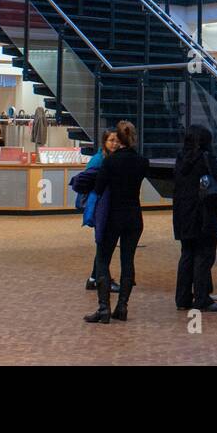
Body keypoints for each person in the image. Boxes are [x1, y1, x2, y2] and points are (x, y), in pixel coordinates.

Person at [85, 121, 149, 324]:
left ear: (118, 139)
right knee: (127, 260)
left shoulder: (110, 162)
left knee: (103, 258)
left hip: (112, 215)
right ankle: (122, 306)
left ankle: (104, 307)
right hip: (134, 216)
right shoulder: (142, 162)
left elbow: (98, 188)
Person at [172, 125, 217, 312]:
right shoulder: (206, 158)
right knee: (204, 256)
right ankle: (202, 298)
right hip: (203, 213)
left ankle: (182, 298)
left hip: (182, 213)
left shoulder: (180, 159)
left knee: (187, 254)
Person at [77, 129, 123, 293]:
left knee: (104, 243)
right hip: (100, 206)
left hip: (108, 205)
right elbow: (86, 181)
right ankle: (102, 279)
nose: (115, 144)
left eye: (117, 141)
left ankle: (94, 277)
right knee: (103, 243)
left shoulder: (113, 158)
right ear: (104, 142)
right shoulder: (98, 160)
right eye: (111, 140)